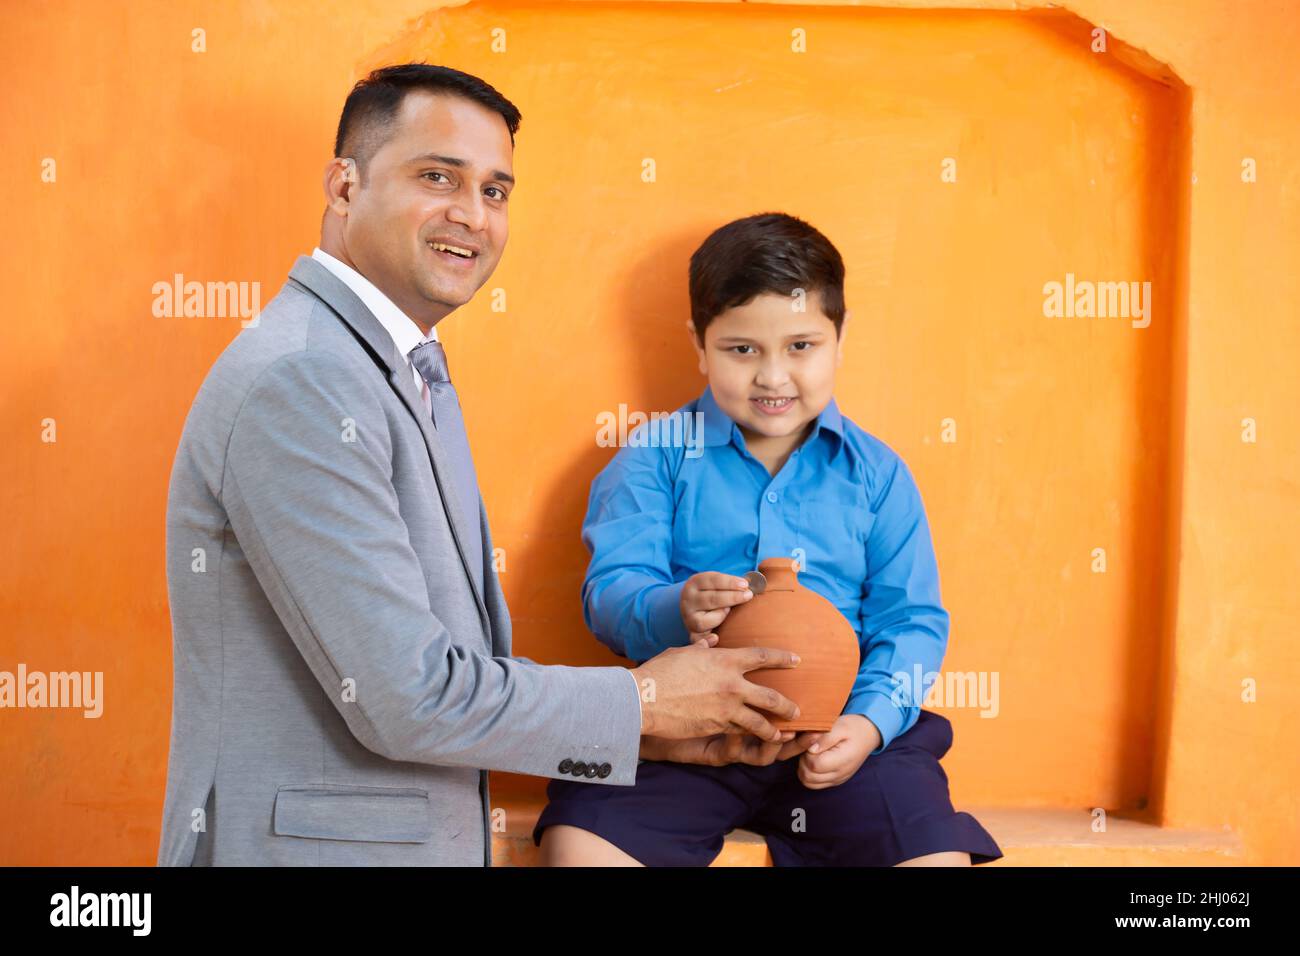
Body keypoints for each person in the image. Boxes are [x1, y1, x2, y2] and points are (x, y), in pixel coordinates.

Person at [157, 64, 804, 867]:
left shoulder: (402, 366)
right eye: (438, 176)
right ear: (343, 186)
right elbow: (409, 697)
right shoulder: (305, 378)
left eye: (496, 191)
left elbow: (458, 681)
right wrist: (644, 701)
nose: (472, 215)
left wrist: (660, 736)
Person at [534, 212, 1004, 866]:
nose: (774, 377)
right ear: (700, 344)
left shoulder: (879, 476)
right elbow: (610, 595)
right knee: (581, 847)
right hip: (688, 737)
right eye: (742, 349)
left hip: (843, 741)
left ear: (840, 339)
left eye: (801, 347)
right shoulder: (653, 458)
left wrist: (868, 724)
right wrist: (676, 607)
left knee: (931, 857)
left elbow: (914, 620)